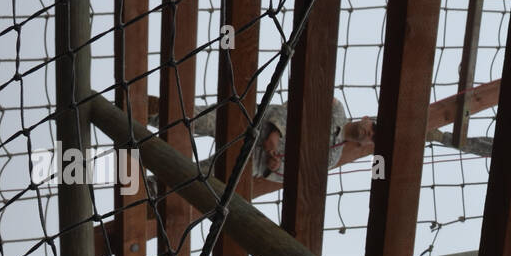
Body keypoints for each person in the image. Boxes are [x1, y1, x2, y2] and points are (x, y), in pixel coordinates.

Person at [147, 95, 376, 181]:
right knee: (191, 120)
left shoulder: (332, 158)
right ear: (366, 118)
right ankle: (140, 114)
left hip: (252, 162)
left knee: (193, 177)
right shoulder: (335, 107)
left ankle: (147, 189)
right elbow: (298, 102)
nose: (370, 132)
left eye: (374, 136)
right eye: (373, 126)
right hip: (250, 121)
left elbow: (294, 173)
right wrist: (277, 131)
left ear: (366, 144)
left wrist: (275, 164)